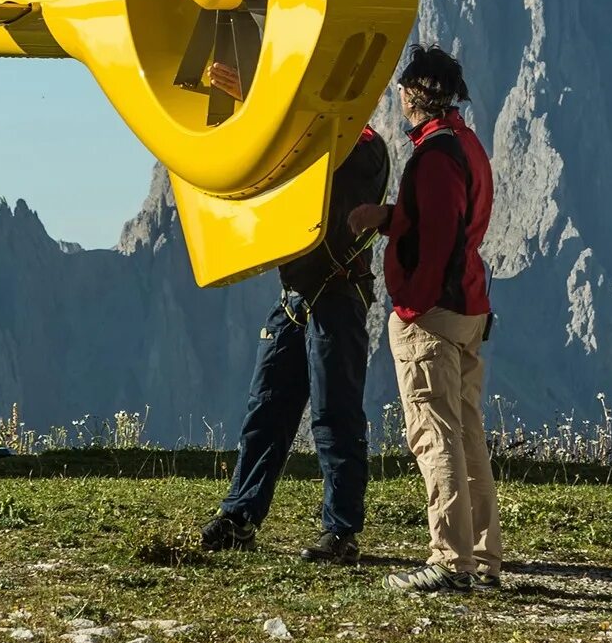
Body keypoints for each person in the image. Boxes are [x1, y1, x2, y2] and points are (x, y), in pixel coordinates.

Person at [199, 124, 390, 566]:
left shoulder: (365, 149)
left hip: (337, 298)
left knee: (334, 414)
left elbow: (342, 216)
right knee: (266, 407)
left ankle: (341, 530)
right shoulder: (300, 137)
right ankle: (240, 515)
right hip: (295, 297)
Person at [350, 46, 498, 594]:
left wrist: (410, 305)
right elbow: (447, 223)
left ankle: (449, 561)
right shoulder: (465, 147)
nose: (399, 99)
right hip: (468, 308)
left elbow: (436, 239)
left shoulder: (434, 157)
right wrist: (387, 218)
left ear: (417, 95)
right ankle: (482, 560)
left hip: (434, 315)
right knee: (466, 434)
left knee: (434, 436)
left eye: (404, 90)